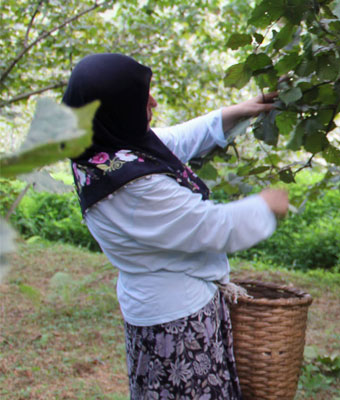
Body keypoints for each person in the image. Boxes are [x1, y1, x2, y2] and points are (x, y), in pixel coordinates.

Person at [63, 53, 288, 399]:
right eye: (142, 98)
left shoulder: (101, 150)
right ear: (117, 109)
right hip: (176, 322)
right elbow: (213, 227)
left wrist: (238, 111)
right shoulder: (135, 187)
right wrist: (266, 206)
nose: (152, 101)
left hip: (158, 307)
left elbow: (171, 141)